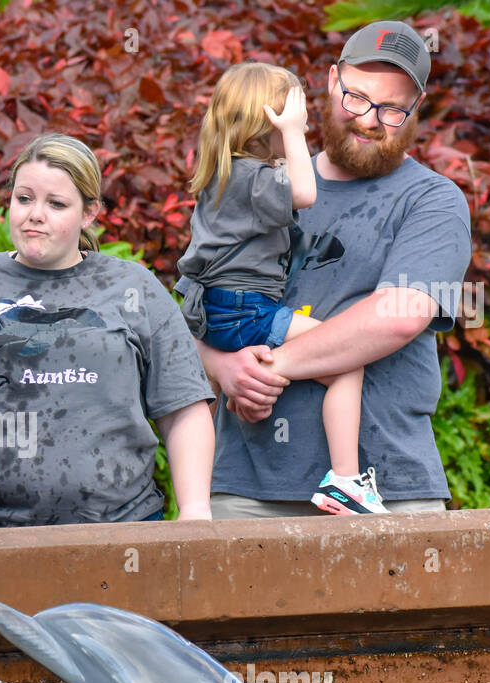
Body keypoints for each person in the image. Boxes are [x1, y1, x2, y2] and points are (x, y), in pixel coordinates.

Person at [199, 21, 472, 519]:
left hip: (389, 489)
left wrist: (269, 368)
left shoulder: (433, 201)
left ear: (417, 108)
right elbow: (199, 304)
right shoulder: (259, 185)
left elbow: (399, 315)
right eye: (357, 98)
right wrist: (223, 368)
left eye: (393, 109)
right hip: (248, 490)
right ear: (330, 81)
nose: (371, 120)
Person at [0, 132, 215, 528]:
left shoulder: (134, 288)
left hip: (119, 531)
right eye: (24, 198)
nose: (35, 214)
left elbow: (184, 411)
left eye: (56, 204)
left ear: (89, 213)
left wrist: (194, 514)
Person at [176, 62, 386, 515]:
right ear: (266, 123)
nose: (305, 124)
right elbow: (307, 192)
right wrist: (293, 135)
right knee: (346, 360)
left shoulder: (223, 176)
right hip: (246, 309)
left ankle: (251, 391)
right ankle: (346, 482)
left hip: (221, 311)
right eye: (296, 116)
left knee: (284, 372)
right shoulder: (254, 179)